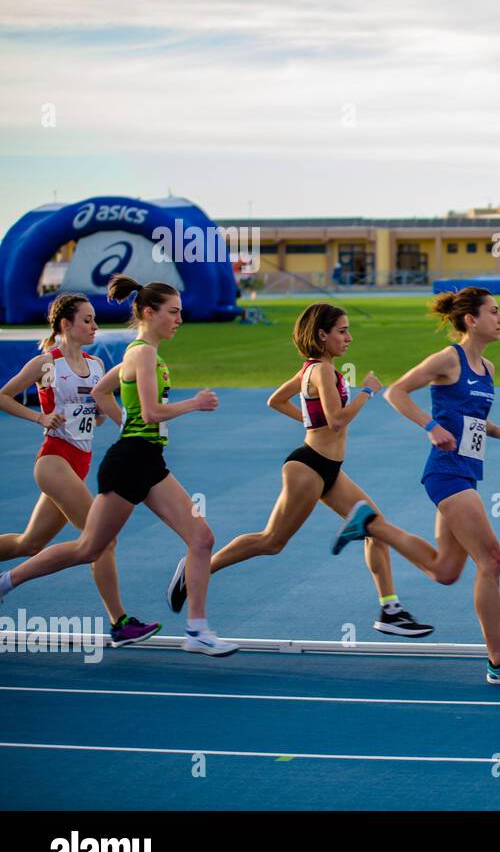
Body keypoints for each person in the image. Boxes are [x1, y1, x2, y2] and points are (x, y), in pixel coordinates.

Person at [168, 303, 441, 637]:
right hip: (309, 467)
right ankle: (197, 570)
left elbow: (276, 401)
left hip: (328, 469)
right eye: (342, 331)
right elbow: (338, 420)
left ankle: (390, 610)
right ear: (322, 334)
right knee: (271, 542)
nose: (349, 338)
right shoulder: (322, 371)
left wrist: (310, 421)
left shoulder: (310, 370)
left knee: (375, 526)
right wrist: (368, 391)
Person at [0, 276, 236, 656]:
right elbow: (151, 411)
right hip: (122, 462)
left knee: (200, 538)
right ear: (149, 312)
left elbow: (99, 392)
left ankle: (197, 630)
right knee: (92, 547)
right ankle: (10, 583)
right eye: (173, 312)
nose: (179, 319)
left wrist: (121, 420)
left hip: (145, 459)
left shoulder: (127, 357)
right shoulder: (139, 354)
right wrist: (194, 403)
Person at [386, 288, 500, 685]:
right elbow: (396, 392)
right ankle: (498, 661)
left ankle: (372, 525)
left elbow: (471, 419)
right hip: (446, 472)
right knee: (490, 560)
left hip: (467, 470)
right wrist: (430, 426)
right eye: (494, 312)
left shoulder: (488, 367)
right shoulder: (448, 359)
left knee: (445, 570)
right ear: (471, 320)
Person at [0, 293, 161, 646]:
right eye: (87, 320)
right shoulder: (46, 364)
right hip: (54, 460)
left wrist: (102, 414)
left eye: (94, 320)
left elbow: (98, 412)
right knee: (102, 538)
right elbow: (3, 396)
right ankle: (119, 622)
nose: (94, 326)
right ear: (65, 325)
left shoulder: (97, 366)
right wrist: (40, 416)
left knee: (30, 542)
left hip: (79, 464)